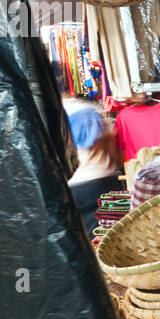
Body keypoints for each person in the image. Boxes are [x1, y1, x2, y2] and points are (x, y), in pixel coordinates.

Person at [62, 95, 122, 233]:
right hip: (104, 181)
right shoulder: (95, 118)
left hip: (80, 185)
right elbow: (116, 159)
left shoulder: (75, 116)